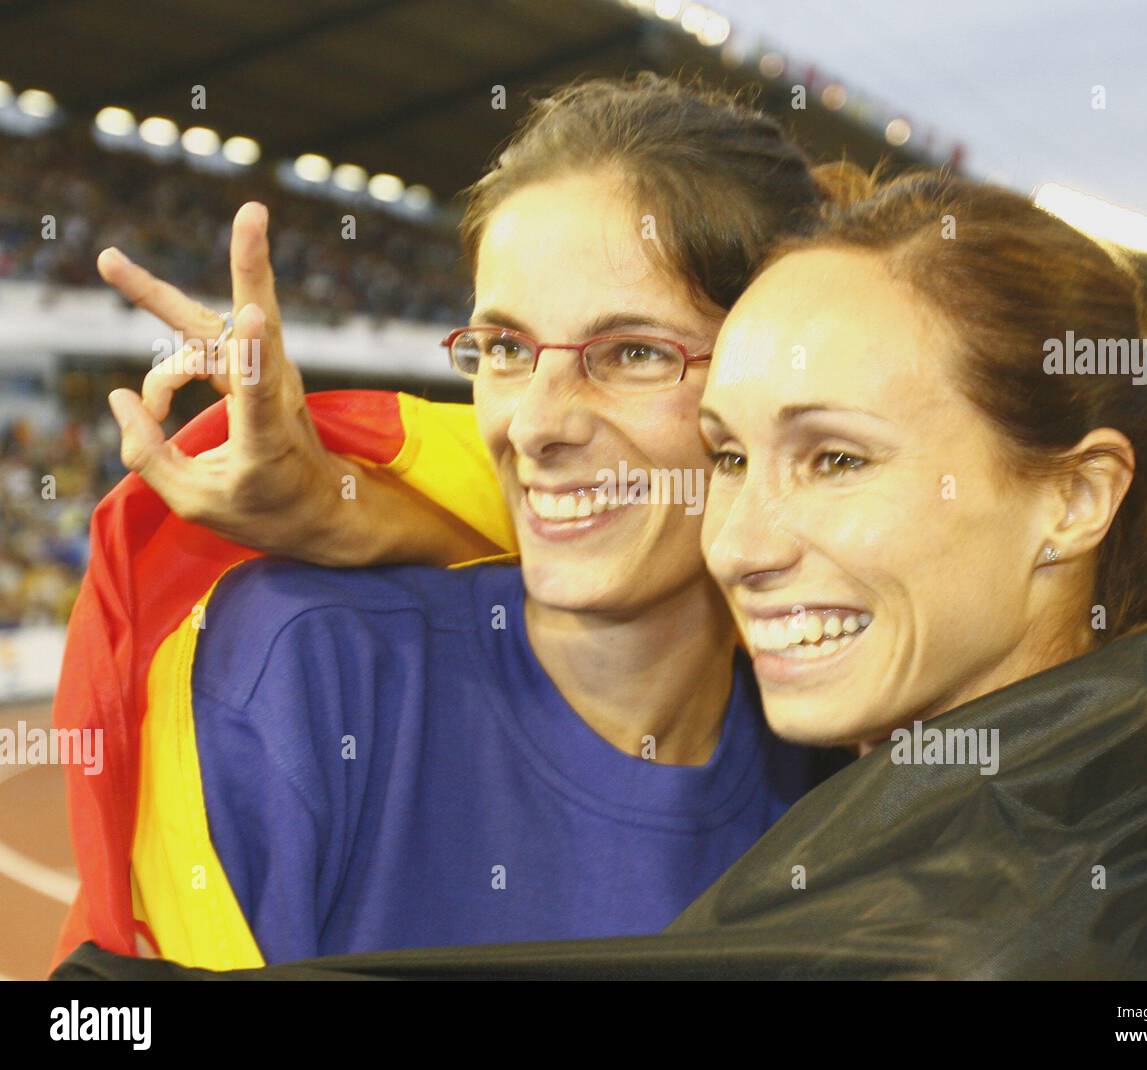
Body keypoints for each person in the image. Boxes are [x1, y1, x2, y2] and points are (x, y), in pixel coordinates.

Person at [58, 74, 854, 969]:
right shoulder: (304, 671)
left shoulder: (853, 774)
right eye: (507, 349)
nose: (538, 424)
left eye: (632, 352)